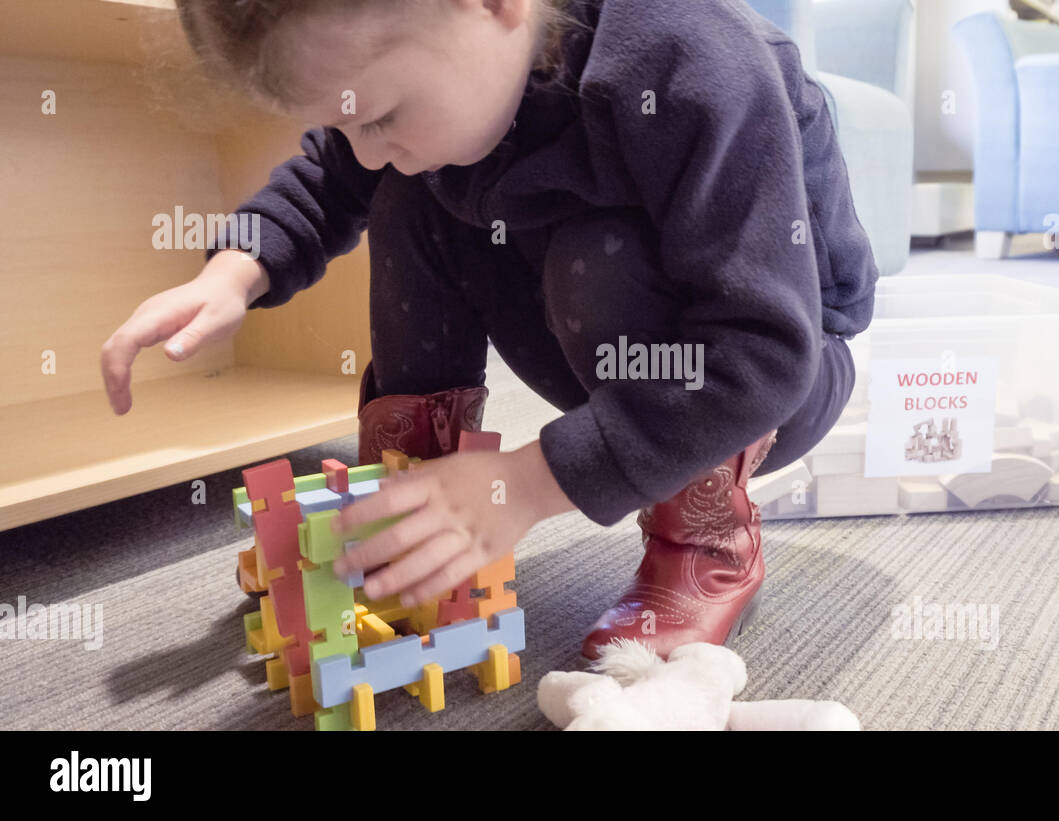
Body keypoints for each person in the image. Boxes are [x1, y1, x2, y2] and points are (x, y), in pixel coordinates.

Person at [100, 0, 877, 660]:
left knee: (591, 257)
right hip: (594, 333)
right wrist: (234, 272)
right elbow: (337, 172)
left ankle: (705, 538)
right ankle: (416, 499)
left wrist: (526, 484)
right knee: (405, 193)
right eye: (347, 124)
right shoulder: (446, 69)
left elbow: (766, 353)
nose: (365, 147)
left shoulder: (692, 61)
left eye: (380, 116)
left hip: (763, 378)